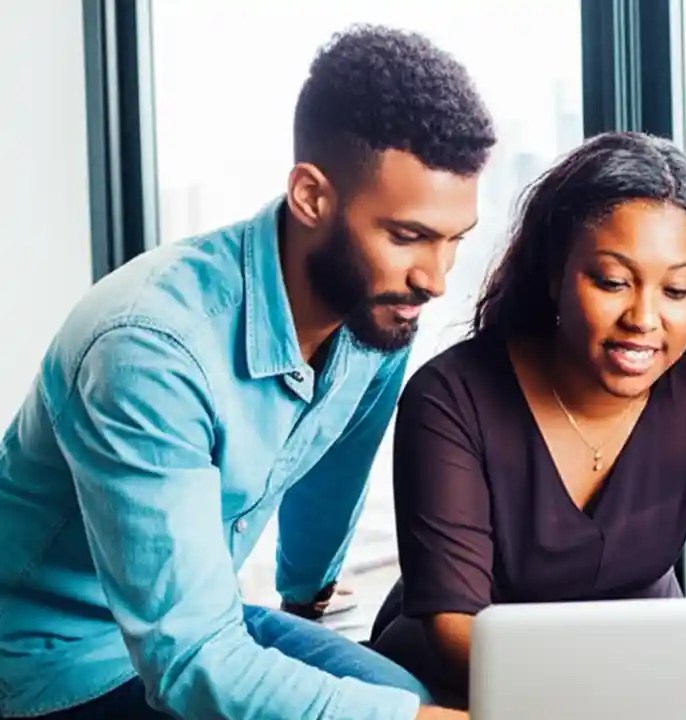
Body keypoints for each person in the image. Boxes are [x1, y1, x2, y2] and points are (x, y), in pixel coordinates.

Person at [0, 24, 494, 720]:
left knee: (409, 696)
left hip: (207, 619)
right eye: (407, 236)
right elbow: (192, 666)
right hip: (53, 664)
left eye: (453, 242)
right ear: (311, 196)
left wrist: (307, 589)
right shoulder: (146, 349)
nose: (435, 278)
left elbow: (332, 471)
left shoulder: (376, 308)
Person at [368, 131, 686, 707]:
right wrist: (606, 702)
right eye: (612, 282)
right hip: (463, 688)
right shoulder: (450, 397)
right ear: (556, 272)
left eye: (677, 289)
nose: (644, 318)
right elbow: (457, 626)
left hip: (644, 687)